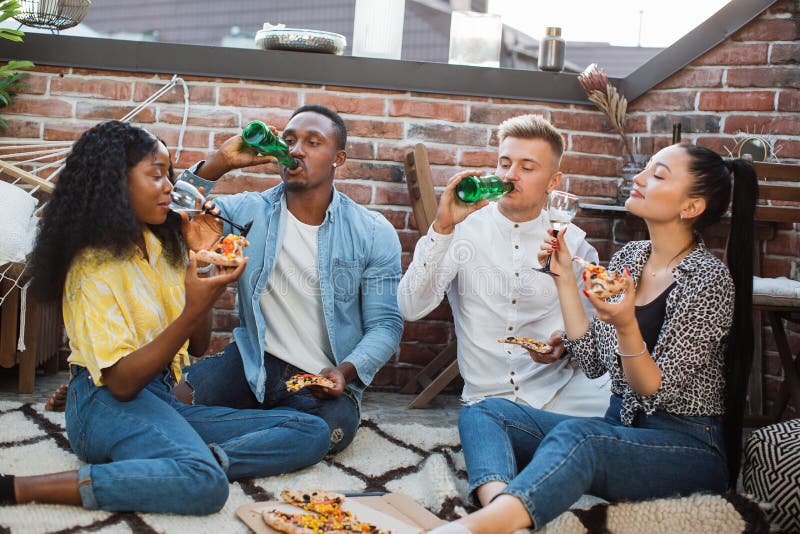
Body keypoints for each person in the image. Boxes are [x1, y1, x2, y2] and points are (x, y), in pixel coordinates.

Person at [430, 143, 758, 534]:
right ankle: (503, 510)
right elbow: (592, 360)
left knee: (580, 437)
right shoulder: (630, 259)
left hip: (683, 446)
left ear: (691, 207)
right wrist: (564, 277)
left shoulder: (708, 280)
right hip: (619, 428)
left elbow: (654, 391)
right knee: (485, 409)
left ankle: (473, 529)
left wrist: (625, 325)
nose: (638, 179)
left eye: (657, 174)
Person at [1, 121, 321, 514]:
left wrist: (203, 269)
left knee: (310, 428)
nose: (170, 186)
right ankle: (19, 487)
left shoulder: (164, 244)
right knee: (205, 488)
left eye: (169, 175)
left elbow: (199, 346)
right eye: (157, 175)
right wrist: (192, 309)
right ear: (115, 183)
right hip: (105, 401)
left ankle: (190, 464)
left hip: (160, 398)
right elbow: (120, 384)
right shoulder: (92, 266)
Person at [397, 114, 610, 506]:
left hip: (562, 392)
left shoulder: (574, 243)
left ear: (553, 181)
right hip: (489, 399)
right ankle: (504, 508)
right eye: (505, 163)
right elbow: (411, 307)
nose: (511, 175)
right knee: (492, 429)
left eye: (527, 167)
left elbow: (593, 335)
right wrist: (442, 227)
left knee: (617, 421)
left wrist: (563, 344)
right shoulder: (463, 230)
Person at [171, 104, 403, 462]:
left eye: (313, 142)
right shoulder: (245, 211)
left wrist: (344, 372)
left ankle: (216, 455)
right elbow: (171, 211)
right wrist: (220, 163)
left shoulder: (372, 232)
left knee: (329, 433)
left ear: (337, 158)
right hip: (254, 363)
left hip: (321, 385)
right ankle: (274, 433)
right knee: (174, 404)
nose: (295, 150)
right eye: (290, 141)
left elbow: (385, 326)